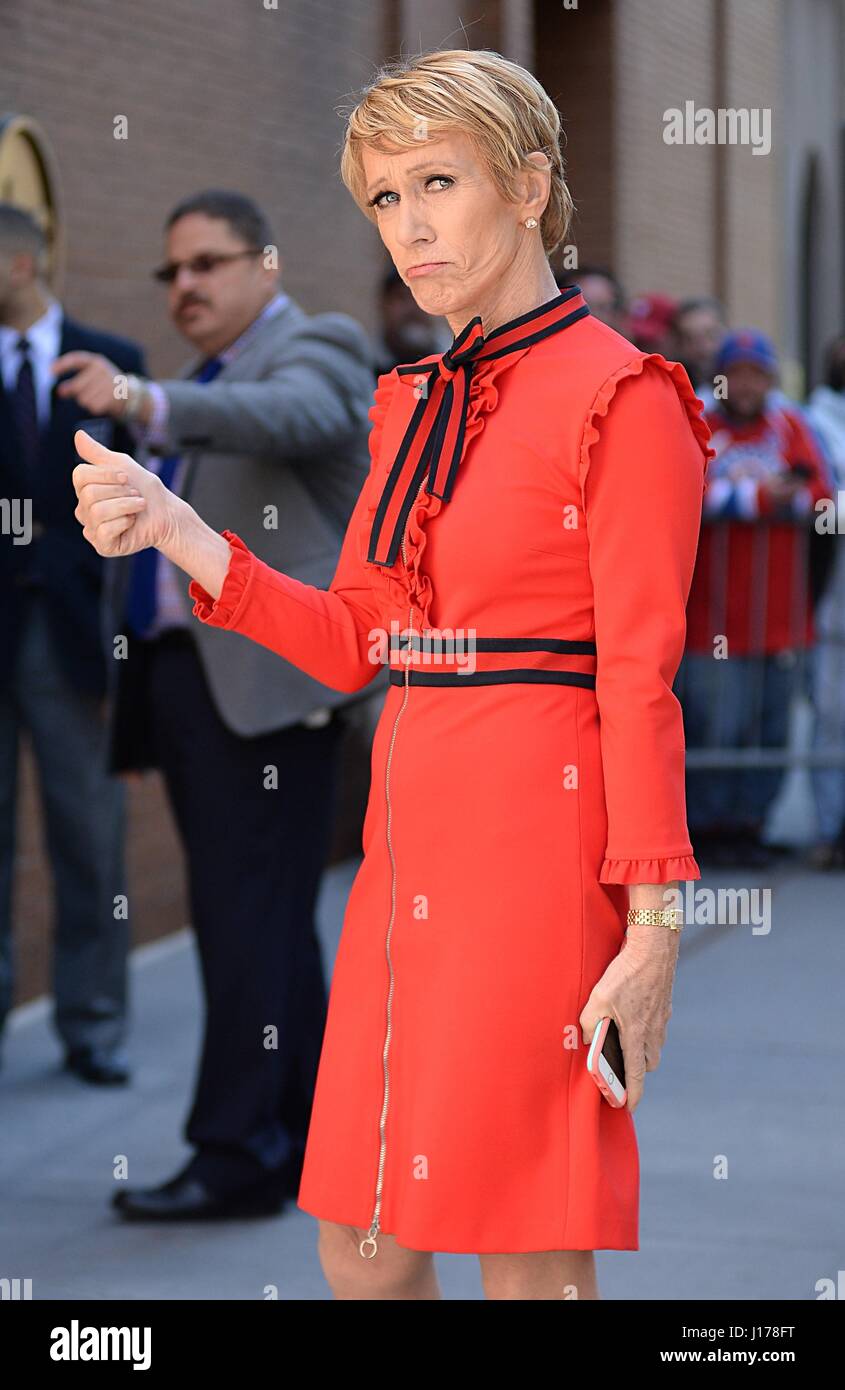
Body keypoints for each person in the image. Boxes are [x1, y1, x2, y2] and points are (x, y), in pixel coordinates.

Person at [71, 49, 712, 1300]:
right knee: (360, 1243)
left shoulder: (623, 397)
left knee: (526, 1251)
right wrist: (180, 531)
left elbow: (640, 682)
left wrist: (654, 929)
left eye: (437, 182)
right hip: (403, 844)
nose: (408, 226)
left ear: (528, 187)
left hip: (541, 841)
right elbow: (357, 638)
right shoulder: (409, 404)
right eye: (381, 197)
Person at [57, 190, 379, 1219]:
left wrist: (143, 403)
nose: (184, 286)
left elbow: (301, 417)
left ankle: (236, 1154)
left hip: (274, 692)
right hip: (191, 685)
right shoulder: (203, 375)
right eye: (172, 271)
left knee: (246, 926)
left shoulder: (314, 346)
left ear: (266, 265)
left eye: (207, 263)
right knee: (267, 928)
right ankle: (308, 1140)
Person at [0, 202, 145, 1084]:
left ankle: (93, 1026)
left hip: (75, 640)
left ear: (19, 264)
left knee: (89, 840)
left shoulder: (113, 363)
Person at [680, 329, 832, 865]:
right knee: (715, 725)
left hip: (779, 616)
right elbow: (683, 494)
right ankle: (709, 829)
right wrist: (761, 498)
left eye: (756, 375)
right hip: (710, 618)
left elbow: (821, 498)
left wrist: (777, 501)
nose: (746, 385)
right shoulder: (698, 421)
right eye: (736, 373)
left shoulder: (789, 425)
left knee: (769, 728)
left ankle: (752, 826)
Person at [805, 334, 845, 868]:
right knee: (832, 712)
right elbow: (822, 500)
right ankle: (830, 828)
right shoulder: (815, 417)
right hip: (835, 594)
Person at [371, 266, 449, 377]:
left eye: (424, 296)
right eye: (401, 297)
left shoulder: (461, 369)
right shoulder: (361, 371)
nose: (413, 308)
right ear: (383, 305)